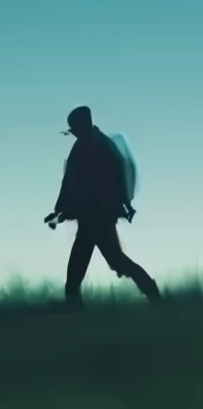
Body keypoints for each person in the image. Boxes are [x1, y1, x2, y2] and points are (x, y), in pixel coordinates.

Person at [44, 106, 161, 308]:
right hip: (93, 215)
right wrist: (60, 211)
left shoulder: (98, 147)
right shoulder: (87, 145)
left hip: (98, 216)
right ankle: (152, 292)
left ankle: (152, 292)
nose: (74, 133)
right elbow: (71, 182)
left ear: (84, 125)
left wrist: (63, 211)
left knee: (103, 259)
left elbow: (99, 183)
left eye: (75, 128)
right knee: (98, 258)